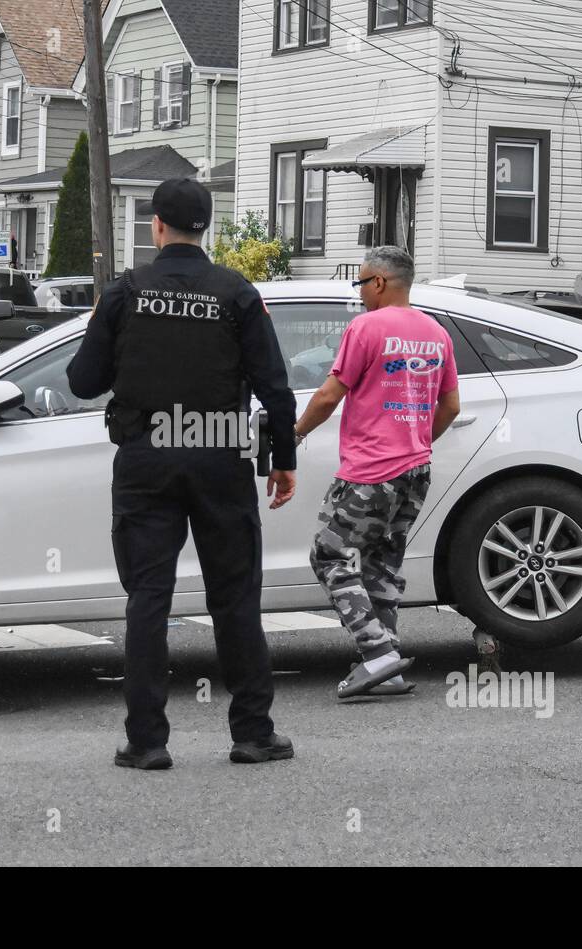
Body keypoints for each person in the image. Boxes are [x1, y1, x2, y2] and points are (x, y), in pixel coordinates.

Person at [67, 177, 298, 770]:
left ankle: (147, 742)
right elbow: (274, 383)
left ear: (156, 226)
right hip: (218, 448)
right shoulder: (236, 291)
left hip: (146, 451)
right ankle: (253, 733)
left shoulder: (126, 291)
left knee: (149, 598)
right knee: (235, 596)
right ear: (207, 228)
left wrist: (108, 323)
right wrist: (284, 462)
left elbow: (83, 381)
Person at [294, 246, 461, 698]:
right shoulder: (436, 333)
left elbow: (330, 395)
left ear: (381, 283)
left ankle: (377, 652)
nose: (361, 293)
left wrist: (294, 434)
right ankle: (390, 666)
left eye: (362, 283)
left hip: (369, 471)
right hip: (415, 470)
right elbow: (451, 405)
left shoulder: (366, 328)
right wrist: (417, 441)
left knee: (330, 555)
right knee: (380, 565)